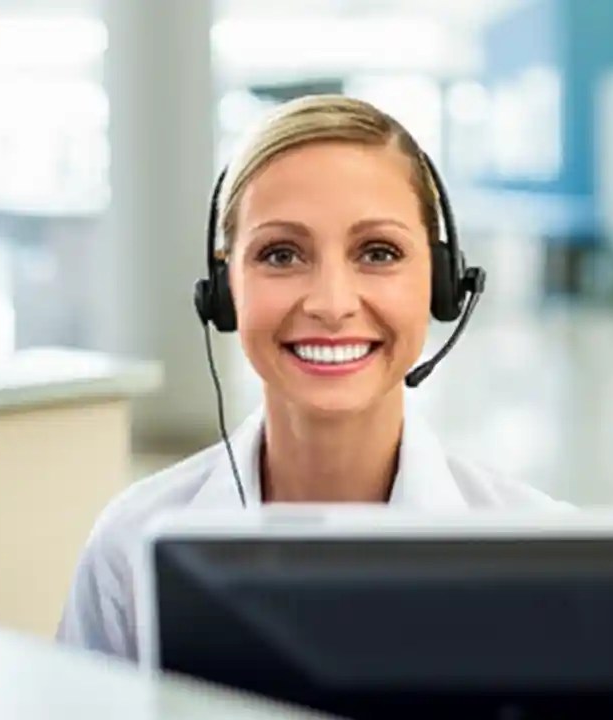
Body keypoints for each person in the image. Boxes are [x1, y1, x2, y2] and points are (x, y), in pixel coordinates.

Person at [57, 94, 568, 661]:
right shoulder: (132, 545)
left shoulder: (547, 553)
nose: (331, 303)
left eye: (378, 252)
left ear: (443, 282)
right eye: (280, 255)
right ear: (225, 292)